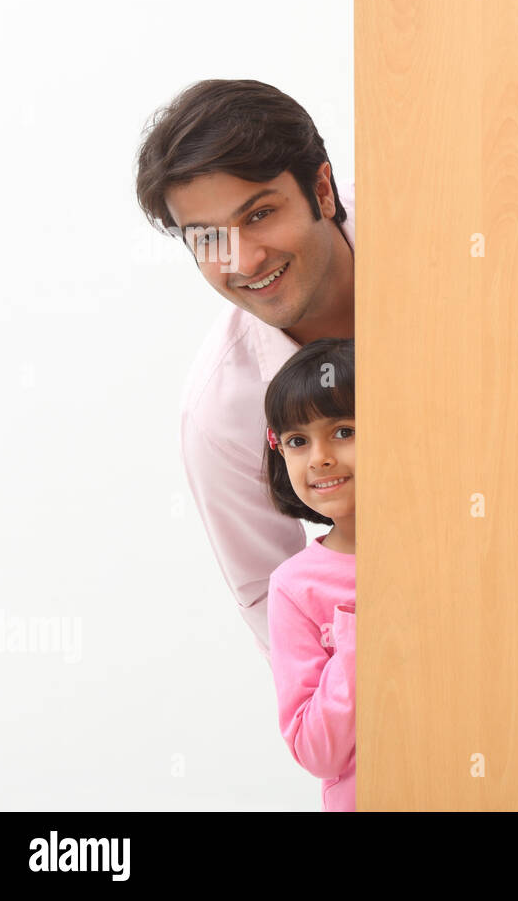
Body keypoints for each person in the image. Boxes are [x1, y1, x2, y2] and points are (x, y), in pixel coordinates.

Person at [134, 79, 356, 661]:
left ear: (323, 190)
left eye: (259, 214)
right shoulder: (220, 415)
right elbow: (272, 605)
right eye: (210, 238)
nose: (246, 260)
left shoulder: (435, 229)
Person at [262, 338, 357, 812]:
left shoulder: (449, 551)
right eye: (298, 441)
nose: (319, 457)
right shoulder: (295, 588)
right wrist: (363, 634)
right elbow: (318, 753)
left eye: (343, 431)